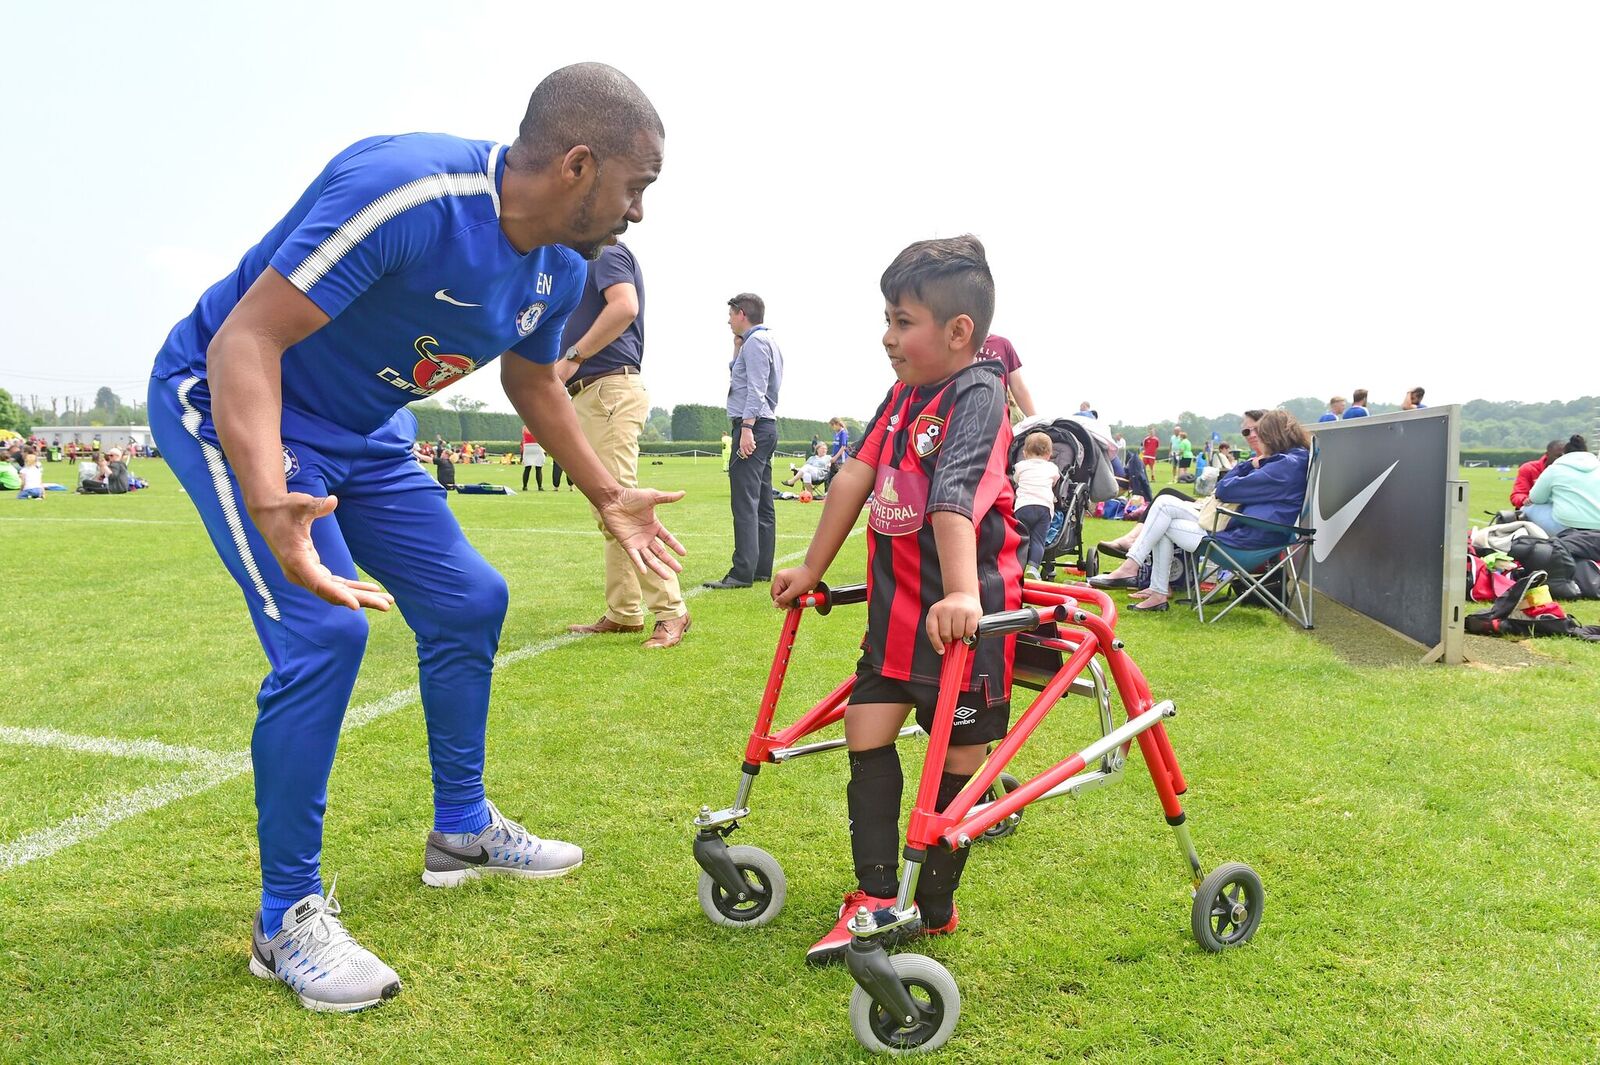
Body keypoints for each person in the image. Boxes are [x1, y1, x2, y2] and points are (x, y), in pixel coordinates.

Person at [145, 63, 684, 1012]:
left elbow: (533, 381)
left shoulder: (561, 266)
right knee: (325, 631)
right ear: (577, 164)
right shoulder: (407, 193)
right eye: (635, 186)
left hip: (365, 431)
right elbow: (244, 341)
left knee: (472, 599)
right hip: (241, 405)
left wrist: (609, 493)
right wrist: (269, 495)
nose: (638, 211)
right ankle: (285, 917)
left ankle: (461, 831)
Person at [771, 234, 1022, 965]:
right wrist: (812, 565)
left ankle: (933, 903)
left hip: (963, 621)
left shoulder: (980, 393)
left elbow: (955, 496)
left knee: (960, 755)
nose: (887, 336)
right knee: (866, 728)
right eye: (887, 318)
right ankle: (878, 895)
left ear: (959, 331)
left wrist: (964, 594)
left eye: (902, 321)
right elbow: (855, 475)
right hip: (898, 615)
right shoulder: (905, 393)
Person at [556, 241, 690, 649]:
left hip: (607, 389)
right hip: (593, 392)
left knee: (621, 506)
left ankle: (671, 611)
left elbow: (624, 306)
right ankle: (624, 610)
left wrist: (573, 356)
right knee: (609, 508)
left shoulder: (605, 250)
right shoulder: (582, 260)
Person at [1092, 409, 1306, 609]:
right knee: (1164, 510)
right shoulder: (1293, 462)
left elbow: (1224, 489)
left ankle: (1137, 573)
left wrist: (1248, 465)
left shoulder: (1283, 466)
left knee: (1164, 506)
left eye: (1262, 434)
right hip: (1250, 532)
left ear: (1273, 436)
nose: (1257, 438)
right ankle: (1154, 590)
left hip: (1245, 540)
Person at [705, 292, 783, 590]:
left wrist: (747, 427)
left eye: (730, 315)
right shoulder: (764, 341)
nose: (728, 321)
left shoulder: (756, 343)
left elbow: (756, 388)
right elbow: (745, 376)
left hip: (753, 425)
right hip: (765, 426)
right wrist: (737, 347)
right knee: (762, 501)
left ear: (741, 313)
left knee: (745, 502)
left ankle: (741, 572)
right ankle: (760, 568)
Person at [1524, 435, 1600, 535]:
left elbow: (1536, 498)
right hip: (1597, 526)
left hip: (1565, 527)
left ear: (1564, 454)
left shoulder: (1554, 469)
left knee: (1527, 508)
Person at [1012, 432, 1060, 579]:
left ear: (1024, 453)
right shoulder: (1052, 468)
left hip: (1023, 506)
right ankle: (1033, 568)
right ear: (1049, 454)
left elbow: (1016, 479)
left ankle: (1017, 566)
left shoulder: (1020, 466)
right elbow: (1055, 481)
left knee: (1021, 539)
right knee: (1038, 540)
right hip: (1044, 507)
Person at [975, 334, 1036, 420]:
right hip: (964, 413)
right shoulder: (959, 344)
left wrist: (1036, 420)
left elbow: (1018, 387)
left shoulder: (1003, 344)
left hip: (997, 416)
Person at [1512, 440, 1564, 509]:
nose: (1561, 460)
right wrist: (1524, 500)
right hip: (1533, 507)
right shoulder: (1529, 468)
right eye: (1558, 456)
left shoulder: (1570, 472)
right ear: (1547, 454)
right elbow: (1518, 494)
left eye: (1564, 457)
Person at [519, 424, 545, 491]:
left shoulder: (524, 427)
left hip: (527, 447)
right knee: (538, 468)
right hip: (537, 446)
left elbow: (523, 436)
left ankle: (525, 486)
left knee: (527, 468)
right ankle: (540, 486)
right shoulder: (538, 426)